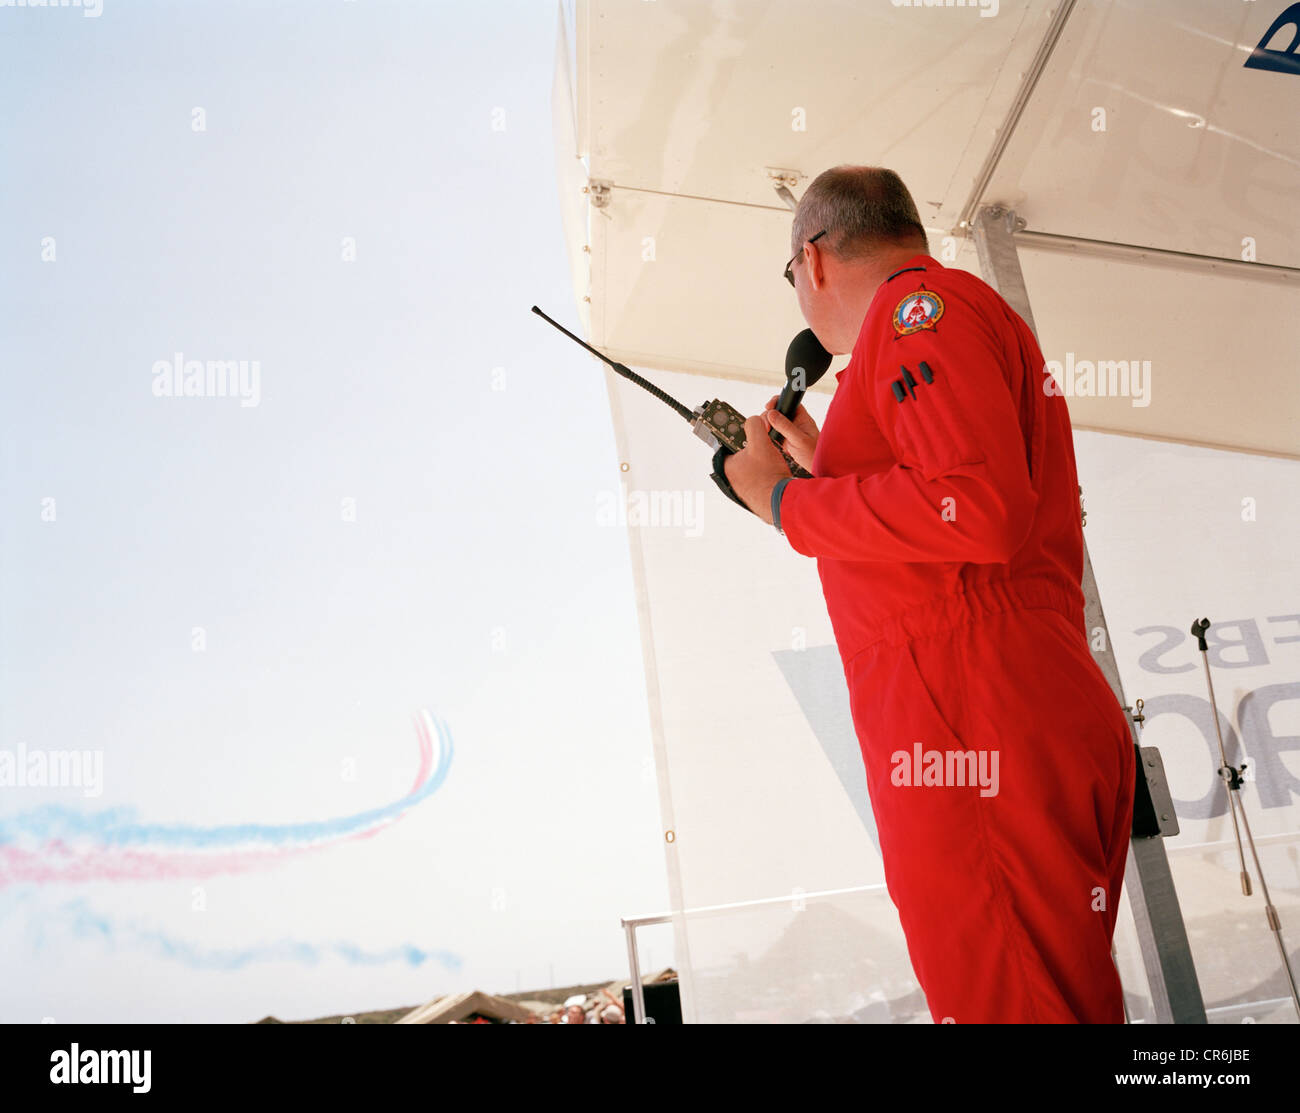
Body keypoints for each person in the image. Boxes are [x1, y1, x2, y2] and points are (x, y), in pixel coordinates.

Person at [721, 165, 1135, 1024]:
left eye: (790, 276)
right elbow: (957, 508)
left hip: (970, 712)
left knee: (1009, 997)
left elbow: (976, 509)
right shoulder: (943, 321)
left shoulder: (916, 319)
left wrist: (783, 499)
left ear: (816, 259)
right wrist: (833, 456)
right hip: (997, 699)